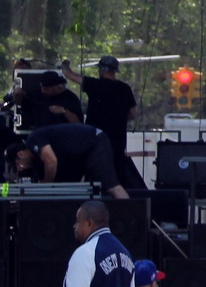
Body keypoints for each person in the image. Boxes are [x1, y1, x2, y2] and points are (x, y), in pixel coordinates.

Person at [62, 56, 144, 189]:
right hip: (118, 143)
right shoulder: (125, 88)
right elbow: (132, 113)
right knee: (117, 178)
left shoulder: (95, 85)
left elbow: (71, 76)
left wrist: (64, 66)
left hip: (96, 141)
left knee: (95, 176)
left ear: (101, 70)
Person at [11, 123, 130, 200]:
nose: (22, 168)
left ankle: (131, 218)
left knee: (112, 187)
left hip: (93, 142)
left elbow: (51, 161)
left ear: (20, 154)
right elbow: (42, 182)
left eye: (19, 165)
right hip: (77, 155)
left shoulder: (33, 139)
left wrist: (46, 185)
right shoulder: (36, 163)